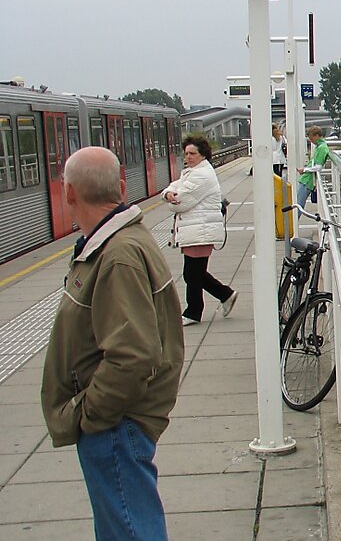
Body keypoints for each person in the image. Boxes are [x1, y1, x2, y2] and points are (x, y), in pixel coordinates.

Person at [41, 146, 184, 540]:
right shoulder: (118, 243)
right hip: (116, 423)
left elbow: (133, 355)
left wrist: (89, 414)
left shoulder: (117, 255)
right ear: (121, 186)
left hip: (116, 425)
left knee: (129, 531)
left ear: (68, 193)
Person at [163, 135, 237, 326]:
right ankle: (225, 295)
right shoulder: (193, 171)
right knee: (195, 272)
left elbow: (181, 203)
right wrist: (169, 194)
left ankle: (193, 312)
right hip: (197, 228)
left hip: (200, 229)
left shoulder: (200, 175)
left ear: (203, 154)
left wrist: (171, 200)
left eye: (192, 153)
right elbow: (175, 188)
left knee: (192, 273)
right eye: (186, 153)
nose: (188, 157)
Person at [296, 125, 329, 208]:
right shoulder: (320, 146)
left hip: (307, 180)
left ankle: (294, 220)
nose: (312, 141)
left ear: (317, 136)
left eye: (312, 138)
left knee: (298, 205)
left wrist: (305, 169)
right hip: (308, 180)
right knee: (299, 204)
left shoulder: (322, 148)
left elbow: (318, 166)